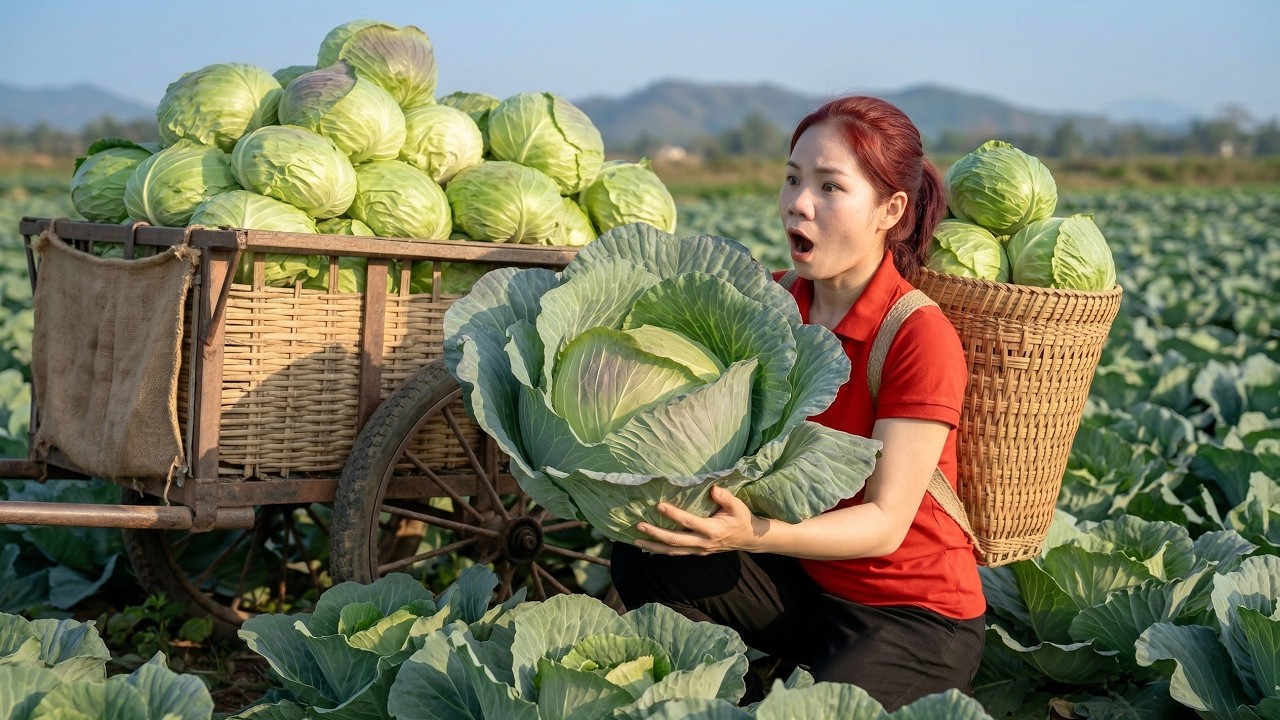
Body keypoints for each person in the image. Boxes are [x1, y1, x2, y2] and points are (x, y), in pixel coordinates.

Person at [609, 95, 985, 710]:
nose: (798, 203)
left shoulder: (918, 335)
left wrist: (751, 533)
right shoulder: (775, 302)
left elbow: (885, 526)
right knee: (650, 551)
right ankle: (734, 688)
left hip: (913, 618)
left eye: (830, 186)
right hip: (810, 588)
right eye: (791, 179)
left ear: (890, 210)